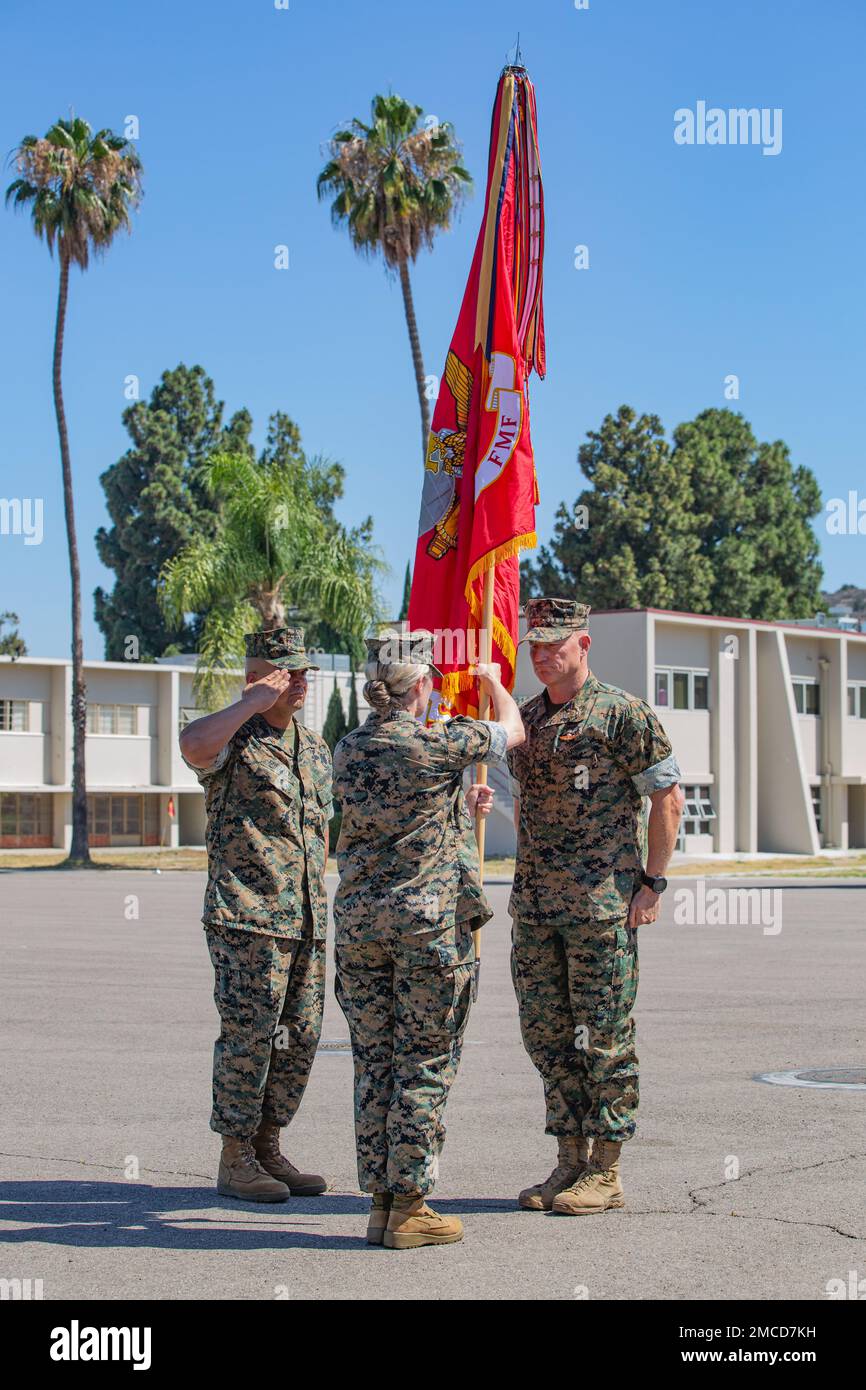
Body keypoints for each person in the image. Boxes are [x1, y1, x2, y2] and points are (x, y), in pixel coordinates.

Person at [333, 631, 524, 1249]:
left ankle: (382, 1203)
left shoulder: (347, 748)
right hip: (426, 930)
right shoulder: (437, 742)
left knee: (375, 1062)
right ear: (420, 685)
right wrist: (493, 683)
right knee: (424, 1062)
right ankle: (411, 1205)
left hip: (361, 928)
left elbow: (392, 815)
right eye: (431, 683)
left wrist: (457, 806)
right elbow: (513, 731)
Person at [508, 598, 684, 1215]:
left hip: (600, 908)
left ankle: (606, 1170)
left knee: (604, 1038)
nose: (541, 655)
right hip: (536, 909)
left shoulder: (622, 714)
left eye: (554, 644)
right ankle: (569, 1160)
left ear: (583, 644)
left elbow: (667, 796)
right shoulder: (525, 719)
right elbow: (523, 801)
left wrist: (652, 883)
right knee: (547, 1037)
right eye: (534, 645)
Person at [180, 627, 330, 1203]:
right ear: (256, 677)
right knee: (249, 1036)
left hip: (306, 920)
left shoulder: (313, 747)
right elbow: (191, 745)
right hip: (247, 916)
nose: (298, 682)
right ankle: (235, 1155)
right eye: (285, 672)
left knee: (300, 1036)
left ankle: (268, 1144)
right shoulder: (233, 738)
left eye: (303, 672)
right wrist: (248, 704)